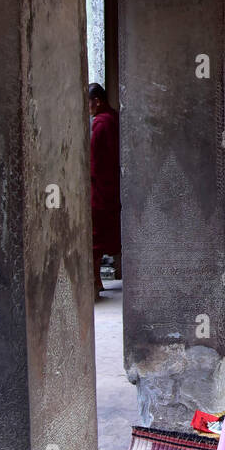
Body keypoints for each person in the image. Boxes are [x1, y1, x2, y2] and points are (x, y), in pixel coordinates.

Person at [88, 83, 121, 297]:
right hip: (114, 186)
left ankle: (94, 281)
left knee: (95, 237)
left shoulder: (101, 124)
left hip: (101, 187)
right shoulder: (115, 119)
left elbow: (94, 160)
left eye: (88, 102)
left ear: (97, 101)